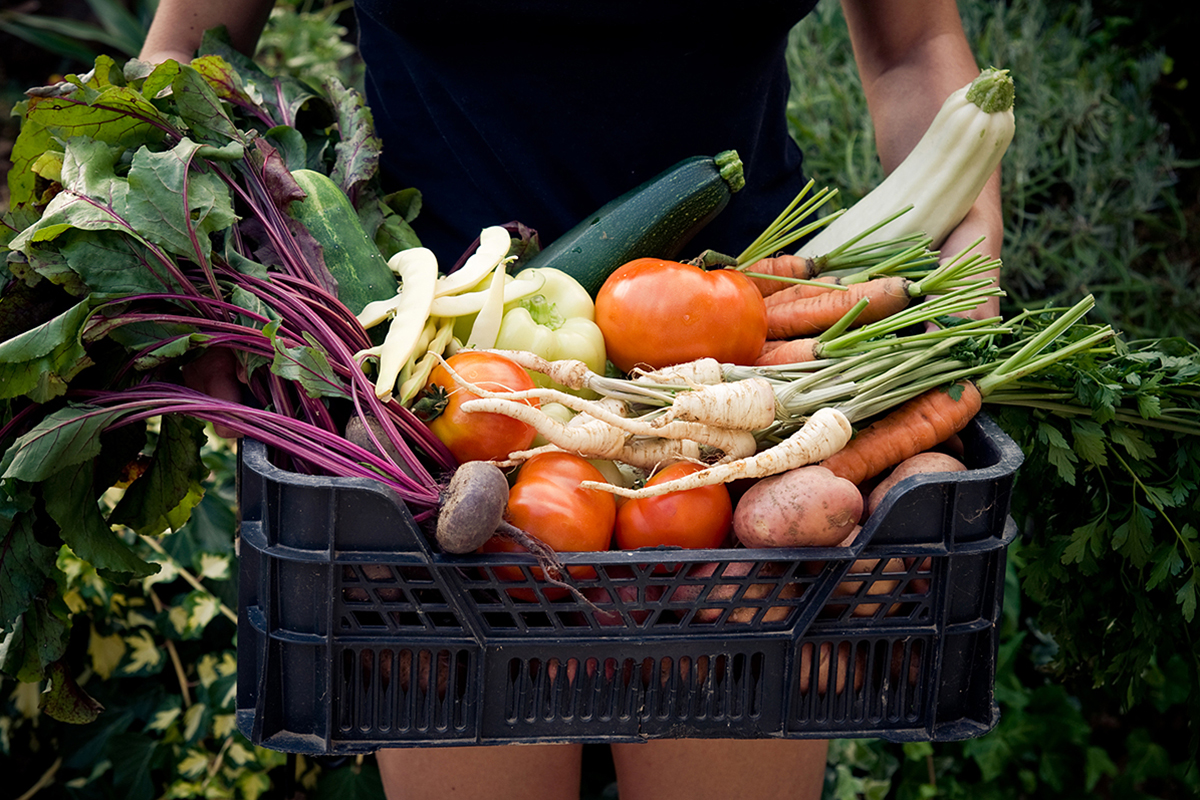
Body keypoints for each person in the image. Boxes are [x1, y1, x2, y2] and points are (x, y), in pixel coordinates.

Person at [140, 2, 1002, 798]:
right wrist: (181, 271)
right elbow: (188, 47)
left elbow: (913, 46)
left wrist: (968, 265)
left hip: (746, 383)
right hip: (433, 407)